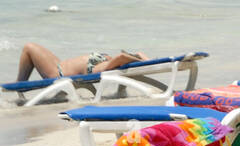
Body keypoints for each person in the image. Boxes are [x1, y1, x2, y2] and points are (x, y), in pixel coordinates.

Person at [15, 43, 146, 82]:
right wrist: (141, 58)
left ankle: (20, 84)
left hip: (58, 73)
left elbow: (121, 57)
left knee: (28, 47)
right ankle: (20, 83)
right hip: (61, 65)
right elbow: (125, 56)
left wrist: (136, 58)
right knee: (29, 47)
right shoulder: (106, 65)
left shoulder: (103, 69)